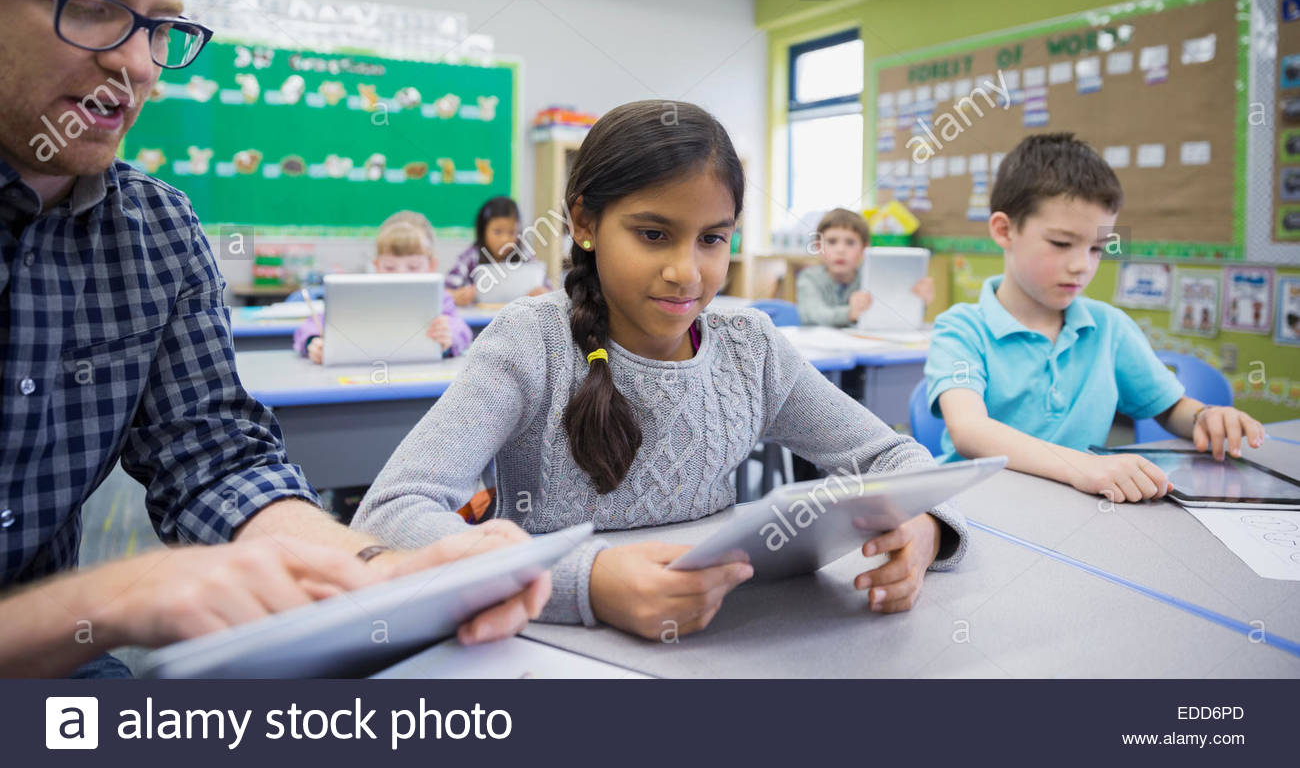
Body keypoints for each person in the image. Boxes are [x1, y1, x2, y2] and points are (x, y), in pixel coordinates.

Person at [0, 0, 545, 677]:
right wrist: (101, 602)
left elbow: (213, 460)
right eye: (94, 7)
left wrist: (377, 574)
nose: (139, 64)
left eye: (160, 26)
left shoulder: (159, 233)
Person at [353, 101, 969, 639]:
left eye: (712, 239)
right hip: (546, 653)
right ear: (585, 224)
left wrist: (925, 529)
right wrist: (583, 583)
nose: (687, 271)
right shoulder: (533, 341)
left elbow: (897, 459)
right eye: (653, 234)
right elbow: (391, 511)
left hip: (723, 645)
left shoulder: (749, 348)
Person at [924, 132, 1264, 503]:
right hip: (977, 509)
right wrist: (1083, 467)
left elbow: (1170, 409)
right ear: (1004, 230)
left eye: (1097, 248)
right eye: (1061, 243)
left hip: (1073, 510)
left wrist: (1205, 417)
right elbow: (969, 430)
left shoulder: (1109, 328)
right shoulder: (961, 328)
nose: (1081, 266)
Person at [294, 213, 472, 363]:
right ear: (376, 266)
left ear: (432, 265)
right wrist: (313, 342)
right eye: (389, 267)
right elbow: (309, 326)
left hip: (416, 375)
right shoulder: (362, 296)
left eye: (414, 266)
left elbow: (462, 331)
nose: (401, 275)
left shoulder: (439, 300)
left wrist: (449, 338)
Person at [796, 207, 934, 327]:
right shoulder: (808, 278)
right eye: (832, 242)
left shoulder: (873, 277)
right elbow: (812, 315)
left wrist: (917, 302)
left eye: (850, 242)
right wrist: (850, 313)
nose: (841, 250)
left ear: (864, 249)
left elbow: (891, 316)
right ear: (819, 247)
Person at [446, 195, 550, 307]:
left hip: (518, 321)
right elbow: (445, 292)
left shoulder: (525, 256)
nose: (505, 239)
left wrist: (543, 294)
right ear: (483, 230)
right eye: (497, 232)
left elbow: (549, 291)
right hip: (478, 322)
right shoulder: (471, 258)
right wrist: (455, 295)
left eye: (511, 232)